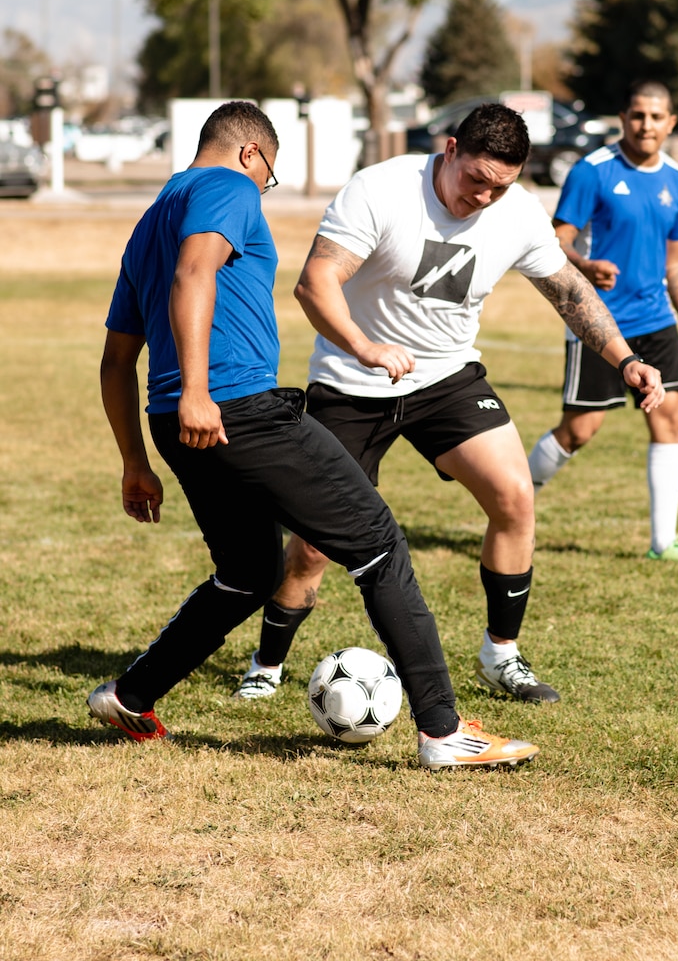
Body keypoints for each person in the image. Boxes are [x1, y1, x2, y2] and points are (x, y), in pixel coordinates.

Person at [88, 99, 540, 771]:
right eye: (268, 175)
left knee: (249, 573)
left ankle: (130, 696)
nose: (263, 188)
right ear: (251, 152)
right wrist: (199, 392)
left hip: (174, 419)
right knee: (378, 544)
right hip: (234, 409)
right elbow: (194, 273)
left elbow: (116, 359)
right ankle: (444, 733)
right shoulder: (227, 185)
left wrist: (135, 458)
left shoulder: (152, 217)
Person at [234, 102, 664, 705]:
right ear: (451, 149)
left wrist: (625, 360)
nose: (484, 198)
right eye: (476, 180)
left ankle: (501, 655)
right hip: (353, 382)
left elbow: (569, 290)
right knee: (315, 545)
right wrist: (365, 347)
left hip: (446, 379)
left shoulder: (516, 211)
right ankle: (267, 664)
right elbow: (316, 282)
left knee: (514, 496)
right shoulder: (381, 189)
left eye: (500, 187)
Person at [528, 80, 678, 564]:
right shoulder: (592, 171)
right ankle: (514, 503)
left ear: (671, 123)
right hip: (599, 323)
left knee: (669, 417)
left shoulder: (677, 180)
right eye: (637, 115)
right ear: (623, 118)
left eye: (656, 117)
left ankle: (663, 543)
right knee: (580, 430)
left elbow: (677, 264)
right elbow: (556, 241)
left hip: (656, 318)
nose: (646, 125)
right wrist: (585, 266)